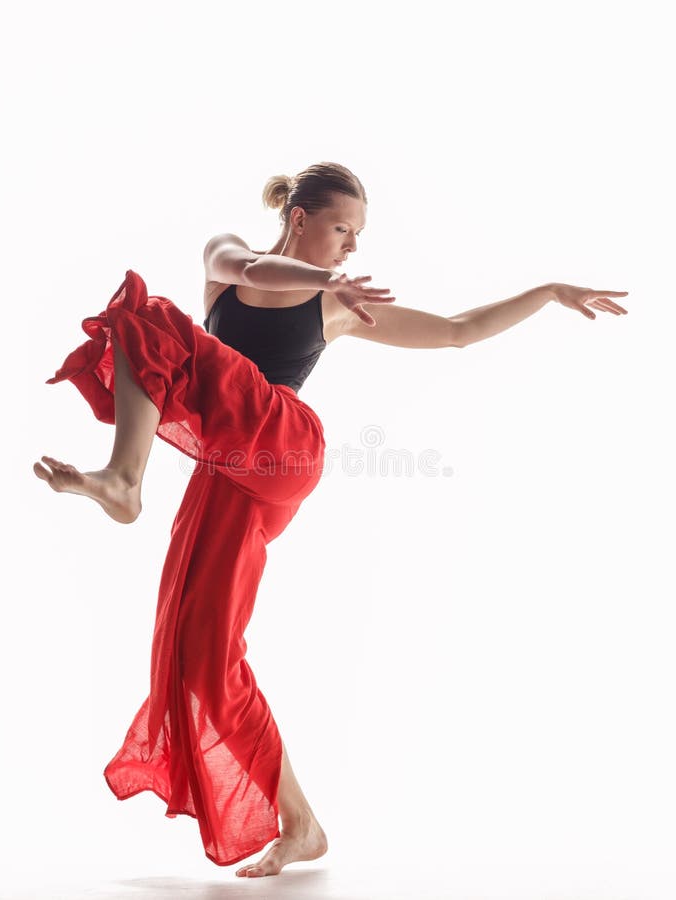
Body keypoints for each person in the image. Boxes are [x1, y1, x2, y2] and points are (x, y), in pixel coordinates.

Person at [33, 161, 629, 877]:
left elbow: (457, 330)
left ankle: (125, 479)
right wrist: (322, 281)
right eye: (341, 229)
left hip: (281, 445)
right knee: (200, 654)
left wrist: (549, 292)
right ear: (298, 218)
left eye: (358, 236)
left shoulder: (338, 305)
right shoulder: (229, 261)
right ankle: (303, 824)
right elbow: (253, 265)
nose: (350, 248)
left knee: (147, 314)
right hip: (227, 471)